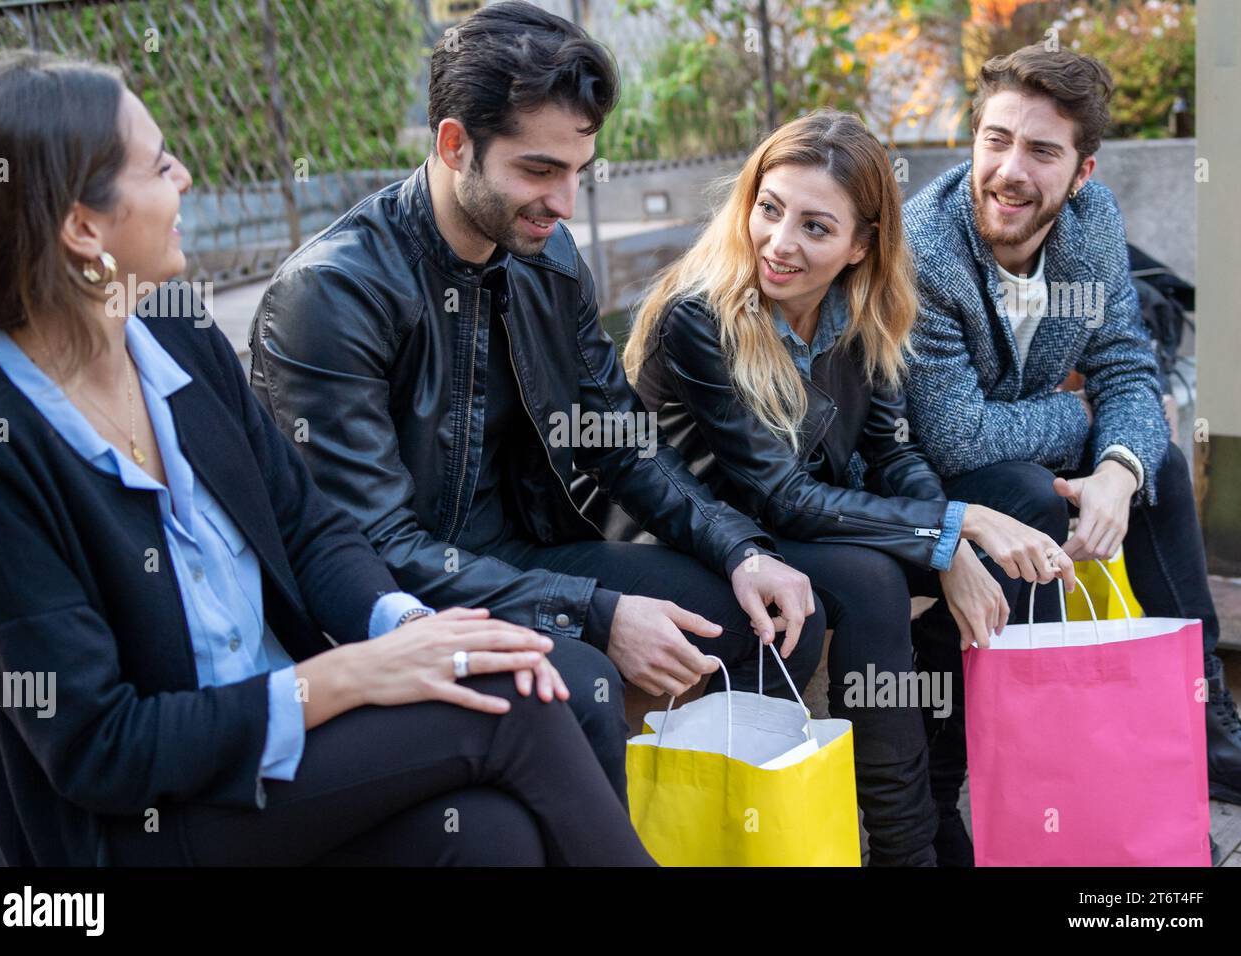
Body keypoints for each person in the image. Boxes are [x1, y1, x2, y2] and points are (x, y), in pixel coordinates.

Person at [0, 50, 654, 867]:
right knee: (521, 700)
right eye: (157, 163)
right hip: (133, 823)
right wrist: (350, 677)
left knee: (495, 834)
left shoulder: (171, 330)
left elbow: (310, 528)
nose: (184, 179)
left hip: (273, 755)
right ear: (81, 226)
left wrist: (409, 628)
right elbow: (100, 749)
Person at [248, 0, 826, 793]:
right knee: (582, 680)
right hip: (398, 599)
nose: (564, 202)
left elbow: (619, 437)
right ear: (456, 144)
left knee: (779, 621)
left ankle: (726, 836)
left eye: (578, 171)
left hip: (524, 553)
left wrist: (740, 548)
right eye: (539, 170)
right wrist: (592, 611)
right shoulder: (333, 294)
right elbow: (371, 544)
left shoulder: (549, 264)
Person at [619, 109, 1074, 866]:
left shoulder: (864, 313)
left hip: (790, 524)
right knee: (867, 580)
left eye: (815, 227)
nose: (780, 243)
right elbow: (778, 496)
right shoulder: (700, 316)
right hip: (697, 534)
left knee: (1027, 504)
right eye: (769, 209)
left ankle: (940, 794)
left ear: (862, 244)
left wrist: (952, 539)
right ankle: (906, 850)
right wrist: (951, 532)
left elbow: (891, 457)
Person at [902, 43, 1241, 863]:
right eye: (995, 139)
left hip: (1008, 457)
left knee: (1156, 464)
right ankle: (1044, 749)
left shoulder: (1091, 227)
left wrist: (1117, 470)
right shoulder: (928, 246)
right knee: (1027, 488)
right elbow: (955, 436)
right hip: (917, 486)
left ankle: (1200, 719)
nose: (1009, 170)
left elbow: (1128, 366)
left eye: (1041, 151)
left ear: (1083, 170)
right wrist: (1079, 421)